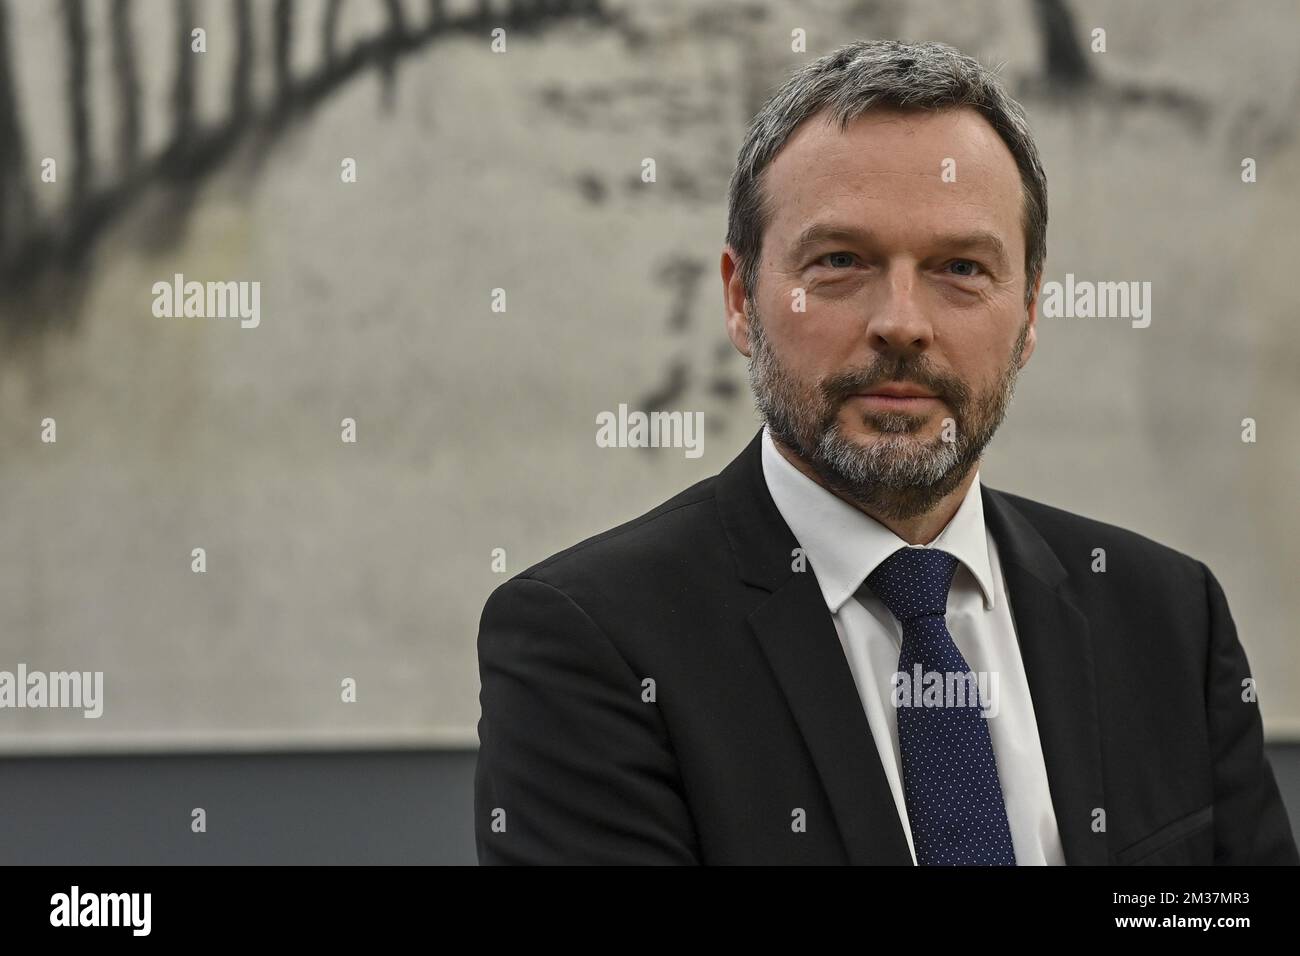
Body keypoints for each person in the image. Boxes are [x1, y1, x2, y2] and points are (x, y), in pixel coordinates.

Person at [473, 39, 1299, 865]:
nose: (902, 323)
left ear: (1029, 314)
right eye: (840, 262)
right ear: (740, 299)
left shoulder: (1167, 618)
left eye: (960, 267)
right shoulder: (591, 644)